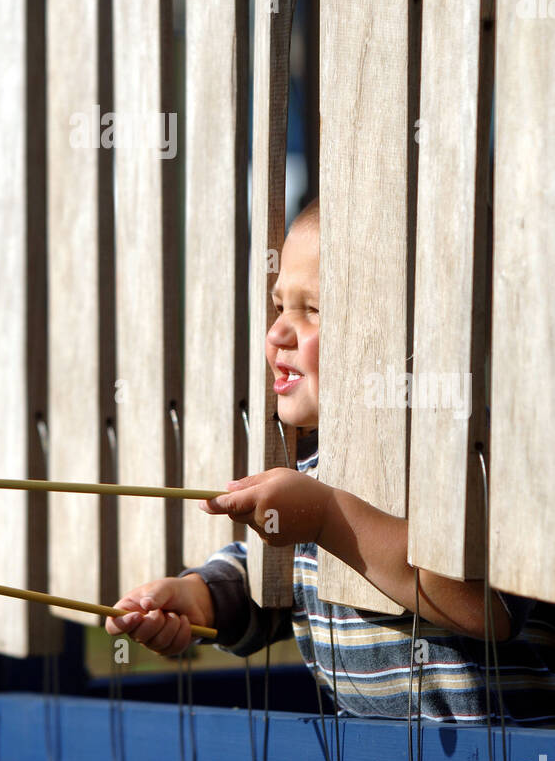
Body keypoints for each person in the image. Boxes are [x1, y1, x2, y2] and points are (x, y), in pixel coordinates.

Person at [105, 196, 555, 723]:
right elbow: (276, 579)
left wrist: (327, 519)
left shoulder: (478, 459)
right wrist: (199, 598)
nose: (276, 333)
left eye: (312, 309)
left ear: (412, 327)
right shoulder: (313, 470)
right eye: (279, 307)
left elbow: (488, 608)